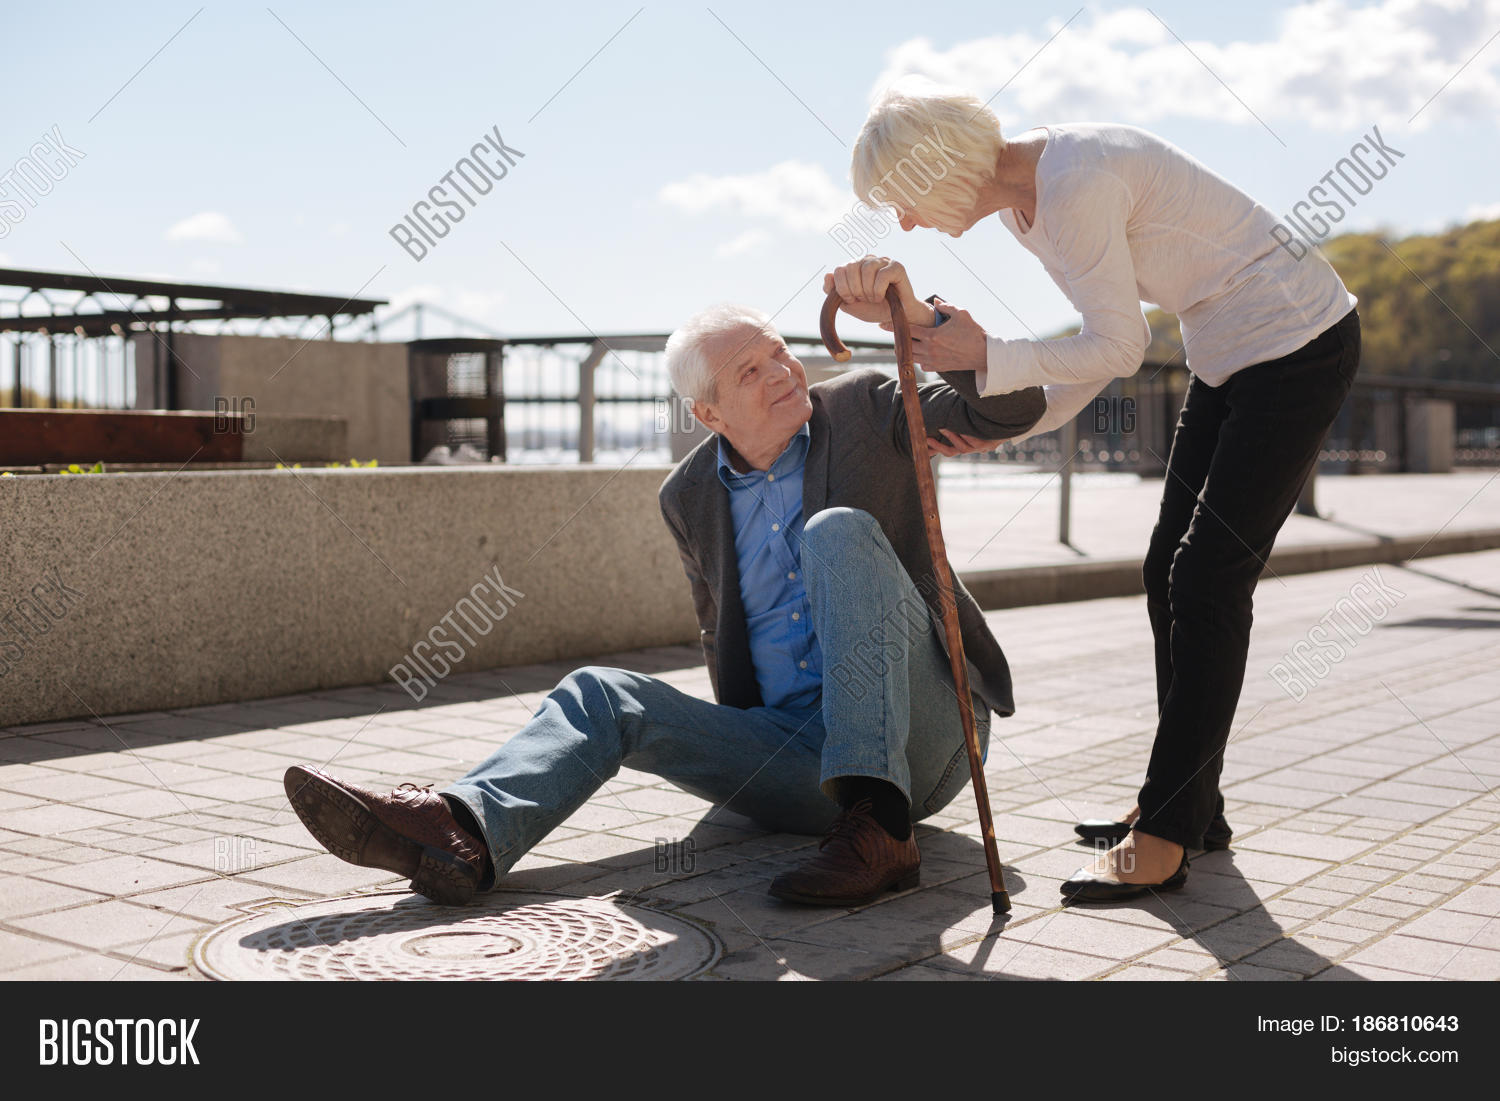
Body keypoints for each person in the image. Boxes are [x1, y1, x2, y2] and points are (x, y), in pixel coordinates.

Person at [284, 298, 1044, 907]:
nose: (781, 371)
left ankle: (883, 827)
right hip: (799, 761)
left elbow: (1011, 412)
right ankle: (464, 830)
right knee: (601, 693)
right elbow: (722, 639)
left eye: (779, 350)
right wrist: (729, 749)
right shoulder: (687, 496)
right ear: (710, 414)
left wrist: (931, 332)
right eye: (750, 372)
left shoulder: (868, 407)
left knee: (836, 532)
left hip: (929, 735)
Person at [839, 78, 1360, 902]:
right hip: (1230, 354)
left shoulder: (1074, 182)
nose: (905, 222)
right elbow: (1097, 344)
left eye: (904, 200)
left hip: (1297, 343)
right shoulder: (1026, 204)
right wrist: (1011, 415)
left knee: (1207, 578)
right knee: (1169, 572)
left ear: (940, 170)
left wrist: (989, 352)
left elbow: (1119, 344)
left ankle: (1163, 833)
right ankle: (1195, 807)